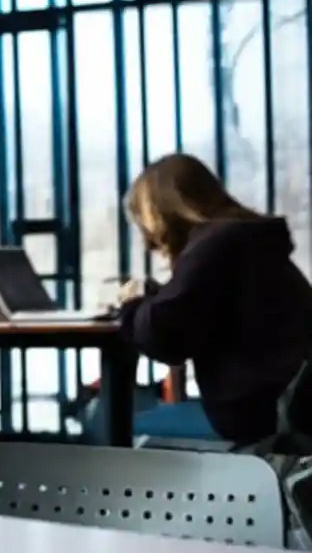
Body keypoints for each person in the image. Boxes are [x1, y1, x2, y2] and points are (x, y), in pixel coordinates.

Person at [118, 153, 312, 445]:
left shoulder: (217, 244)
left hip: (256, 414)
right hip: (288, 401)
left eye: (146, 220)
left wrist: (132, 304)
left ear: (165, 207)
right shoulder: (245, 239)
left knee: (120, 422)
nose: (149, 239)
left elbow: (164, 337)